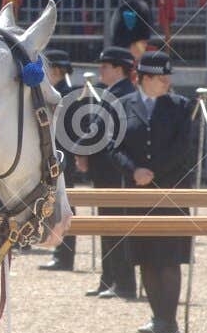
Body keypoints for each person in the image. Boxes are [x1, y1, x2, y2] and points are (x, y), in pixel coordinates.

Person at [114, 51, 197, 333]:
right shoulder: (122, 106)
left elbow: (183, 148)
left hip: (171, 191)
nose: (167, 82)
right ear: (145, 78)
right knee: (145, 256)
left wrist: (153, 173)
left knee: (169, 256)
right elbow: (113, 146)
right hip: (137, 193)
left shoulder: (181, 106)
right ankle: (158, 317)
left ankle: (169, 320)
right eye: (162, 78)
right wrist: (133, 171)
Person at [84, 46, 140, 301]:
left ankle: (124, 282)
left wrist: (81, 150)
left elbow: (100, 130)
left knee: (117, 226)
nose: (101, 70)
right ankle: (109, 278)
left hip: (114, 170)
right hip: (105, 168)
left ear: (119, 69)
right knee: (107, 225)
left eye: (105, 66)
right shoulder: (114, 93)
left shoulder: (122, 94)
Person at [38, 47, 75, 272]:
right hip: (58, 155)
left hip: (62, 156)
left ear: (58, 71)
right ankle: (60, 253)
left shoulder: (65, 95)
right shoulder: (59, 93)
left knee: (64, 204)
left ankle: (64, 255)